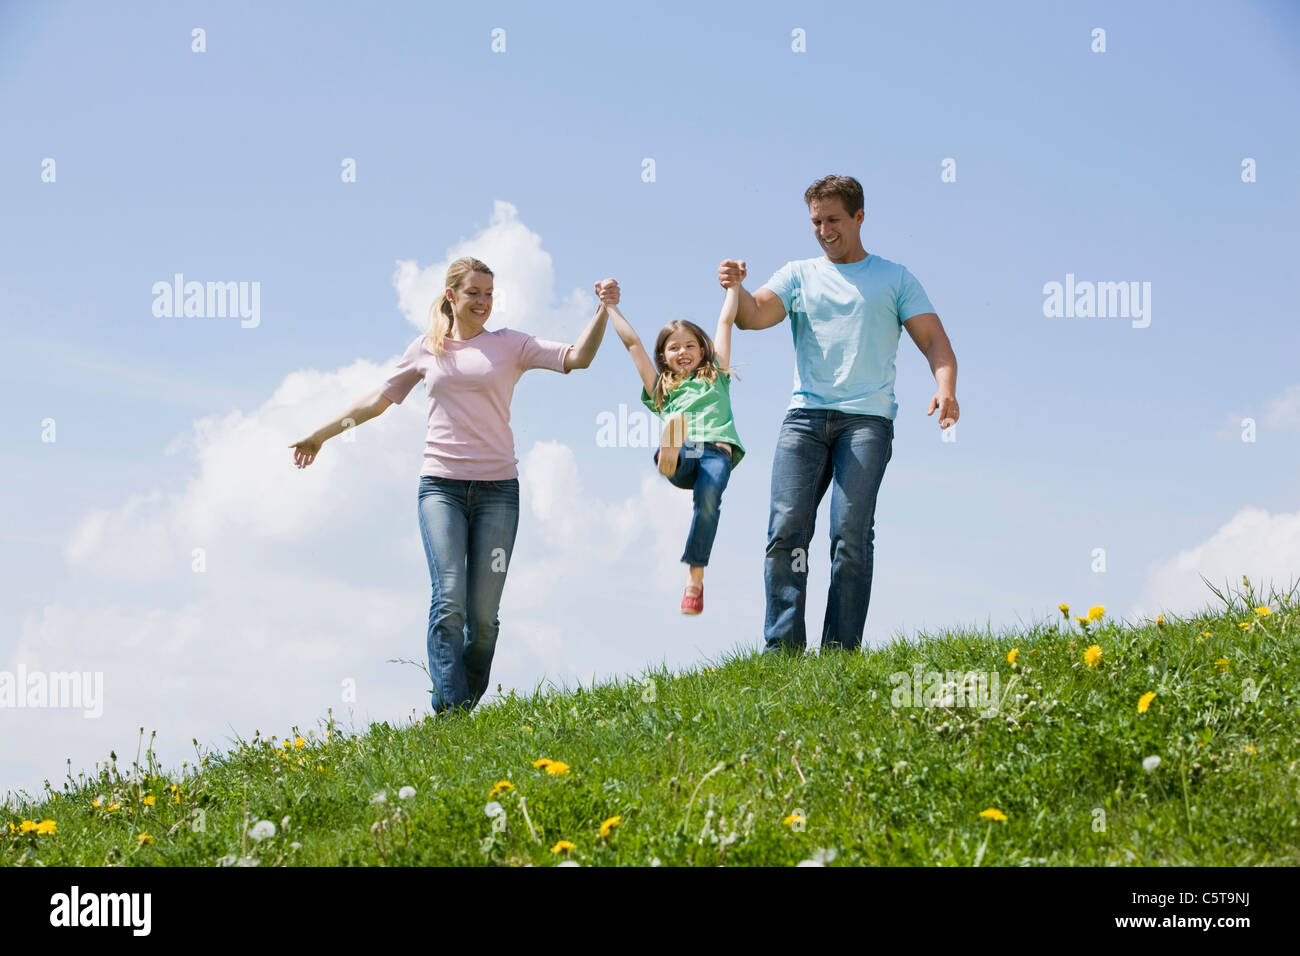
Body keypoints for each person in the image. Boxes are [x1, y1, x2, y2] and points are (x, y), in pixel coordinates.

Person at [288, 256, 616, 713]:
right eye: (473, 293)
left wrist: (602, 310)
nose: (483, 302)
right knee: (448, 600)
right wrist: (320, 434)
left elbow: (577, 358)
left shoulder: (511, 345)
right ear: (451, 296)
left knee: (482, 620)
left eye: (488, 294)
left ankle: (459, 709)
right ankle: (454, 718)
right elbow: (377, 402)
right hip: (440, 488)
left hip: (498, 493)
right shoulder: (426, 349)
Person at [720, 174, 960, 653]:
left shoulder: (894, 278)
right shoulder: (798, 275)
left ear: (859, 217)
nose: (823, 230)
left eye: (833, 219)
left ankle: (840, 652)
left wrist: (945, 387)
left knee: (849, 534)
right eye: (815, 221)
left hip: (866, 423)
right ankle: (782, 649)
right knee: (786, 530)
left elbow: (934, 341)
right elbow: (753, 315)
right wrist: (737, 288)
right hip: (805, 419)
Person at [605, 284, 746, 614]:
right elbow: (632, 344)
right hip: (687, 451)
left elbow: (724, 323)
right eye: (673, 347)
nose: (682, 351)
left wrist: (733, 288)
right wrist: (611, 306)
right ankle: (670, 457)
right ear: (662, 356)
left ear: (702, 350)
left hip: (718, 454)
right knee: (682, 449)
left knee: (708, 503)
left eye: (689, 345)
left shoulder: (718, 375)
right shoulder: (660, 388)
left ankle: (693, 583)